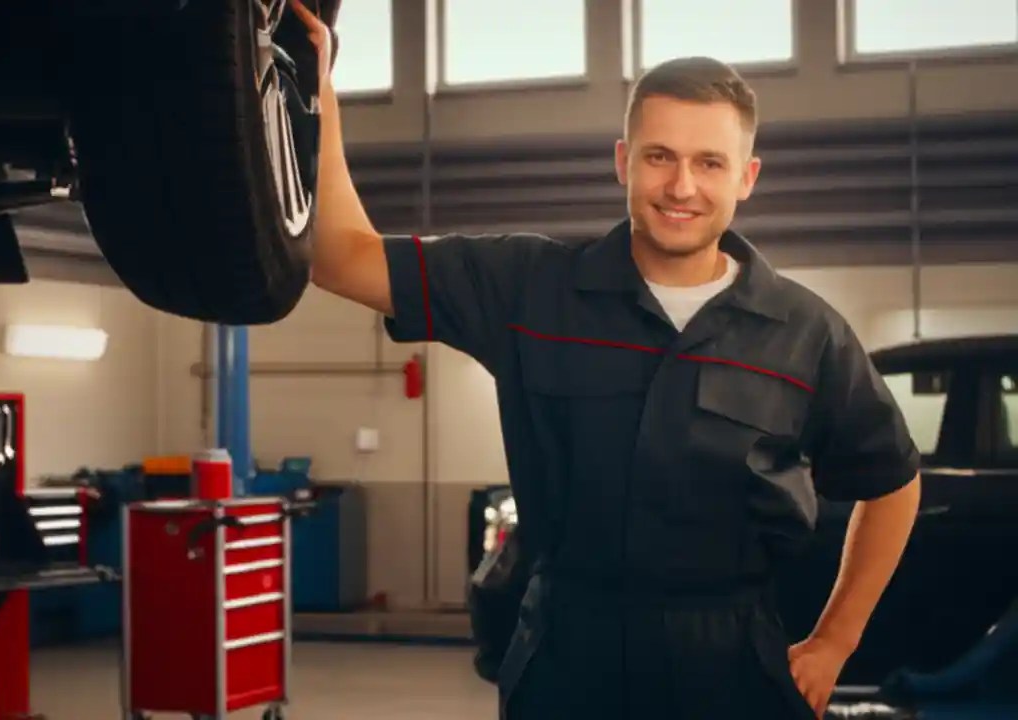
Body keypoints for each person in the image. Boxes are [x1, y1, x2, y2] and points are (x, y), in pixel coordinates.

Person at [289, 2, 922, 718]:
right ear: (624, 161)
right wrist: (318, 97)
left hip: (731, 665)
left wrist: (835, 640)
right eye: (659, 156)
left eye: (708, 162)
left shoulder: (806, 333)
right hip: (566, 657)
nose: (682, 186)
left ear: (746, 177)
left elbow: (892, 483)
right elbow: (342, 258)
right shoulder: (529, 288)